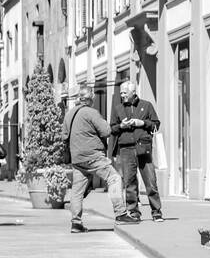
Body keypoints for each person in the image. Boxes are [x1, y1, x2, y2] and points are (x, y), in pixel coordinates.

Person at [64, 86, 139, 232]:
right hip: (93, 156)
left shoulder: (70, 114)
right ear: (91, 98)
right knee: (115, 178)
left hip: (77, 158)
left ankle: (76, 223)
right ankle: (121, 213)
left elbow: (64, 135)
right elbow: (106, 131)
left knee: (77, 191)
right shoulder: (91, 113)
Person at [110, 80, 164, 222]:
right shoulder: (118, 108)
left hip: (143, 147)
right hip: (126, 148)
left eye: (124, 93)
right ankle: (133, 212)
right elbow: (112, 129)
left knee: (150, 181)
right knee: (130, 182)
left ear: (133, 92)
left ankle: (156, 212)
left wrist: (143, 123)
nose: (122, 95)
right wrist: (121, 126)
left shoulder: (146, 105)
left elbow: (156, 125)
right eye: (121, 93)